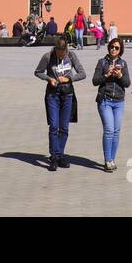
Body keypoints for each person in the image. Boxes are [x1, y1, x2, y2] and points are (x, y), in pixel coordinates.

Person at [34, 37, 86, 172]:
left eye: (63, 54)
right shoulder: (47, 57)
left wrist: (69, 78)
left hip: (67, 94)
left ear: (66, 50)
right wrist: (48, 78)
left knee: (64, 127)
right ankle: (54, 156)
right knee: (54, 126)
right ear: (55, 49)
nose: (61, 56)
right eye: (59, 53)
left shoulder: (72, 56)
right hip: (52, 95)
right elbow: (38, 72)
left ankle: (59, 154)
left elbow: (82, 74)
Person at [92, 36, 130, 172]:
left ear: (120, 50)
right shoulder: (102, 62)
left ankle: (113, 159)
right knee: (109, 130)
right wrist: (106, 75)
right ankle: (107, 160)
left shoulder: (123, 64)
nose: (114, 50)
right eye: (112, 47)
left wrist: (119, 75)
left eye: (117, 48)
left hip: (119, 101)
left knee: (116, 131)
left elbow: (127, 83)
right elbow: (95, 81)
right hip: (105, 100)